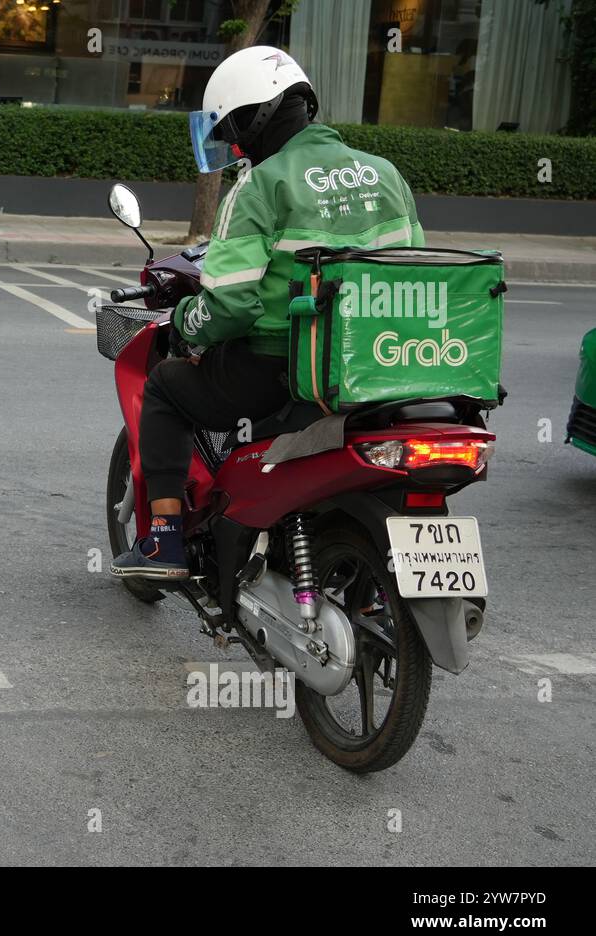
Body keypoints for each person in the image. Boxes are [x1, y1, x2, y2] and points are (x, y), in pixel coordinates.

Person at [111, 46, 425, 581]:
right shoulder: (385, 174)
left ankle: (164, 539)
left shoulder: (260, 184)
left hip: (285, 371)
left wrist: (187, 321)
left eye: (231, 129)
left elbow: (230, 305)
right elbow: (417, 274)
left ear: (251, 118)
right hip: (383, 366)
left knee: (165, 387)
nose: (232, 144)